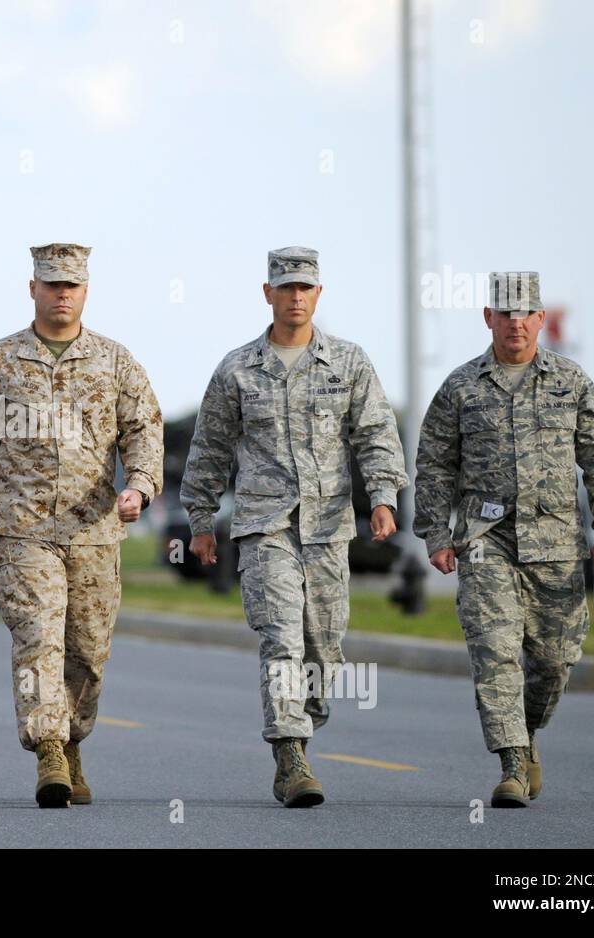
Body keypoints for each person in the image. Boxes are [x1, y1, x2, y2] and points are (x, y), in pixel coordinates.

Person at [180, 246, 406, 808]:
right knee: (281, 638)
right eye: (286, 288)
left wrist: (382, 498)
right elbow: (208, 450)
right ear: (268, 294)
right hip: (264, 527)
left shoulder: (349, 363)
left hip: (329, 527)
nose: (296, 297)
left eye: (305, 288)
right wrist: (202, 521)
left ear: (318, 295)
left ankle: (305, 719)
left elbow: (376, 434)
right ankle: (290, 757)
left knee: (323, 649)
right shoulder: (237, 368)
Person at [0, 243, 163, 808]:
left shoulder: (115, 361)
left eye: (71, 285)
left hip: (95, 530)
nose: (61, 293)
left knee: (87, 653)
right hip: (23, 531)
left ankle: (72, 741)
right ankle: (48, 748)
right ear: (33, 289)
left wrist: (139, 484)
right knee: (38, 638)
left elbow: (144, 429)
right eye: (51, 284)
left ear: (85, 291)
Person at [413, 271, 594, 807]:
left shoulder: (571, 381)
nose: (514, 323)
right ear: (489, 318)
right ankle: (510, 764)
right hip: (487, 542)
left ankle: (526, 734)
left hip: (557, 543)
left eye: (524, 313)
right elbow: (434, 466)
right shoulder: (461, 388)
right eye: (503, 313)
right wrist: (437, 534)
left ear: (538, 319)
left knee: (554, 661)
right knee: (495, 651)